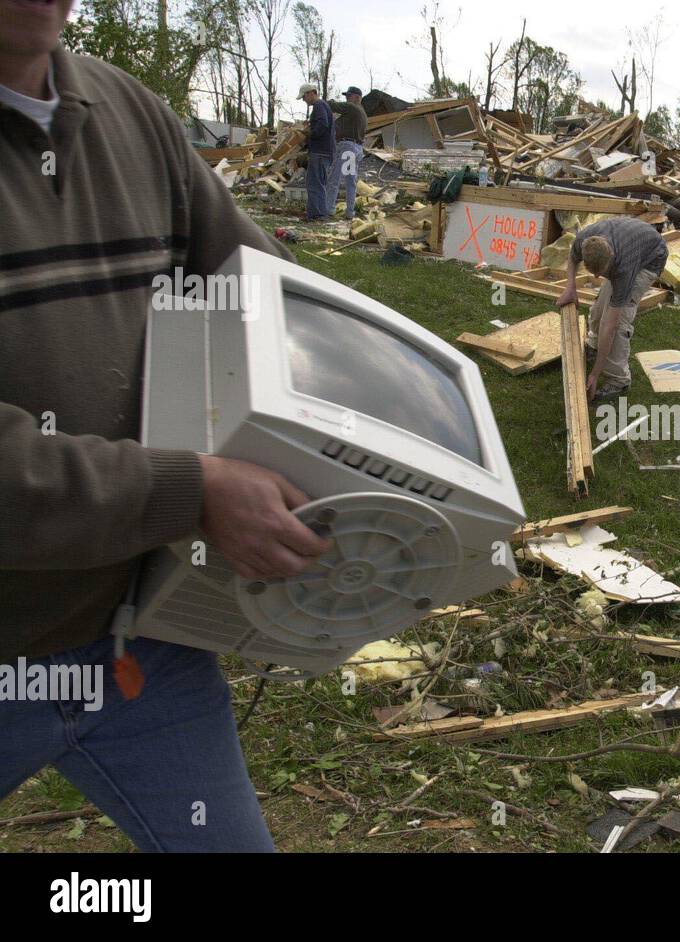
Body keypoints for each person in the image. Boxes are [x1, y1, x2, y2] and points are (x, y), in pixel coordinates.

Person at [1, 2, 331, 851]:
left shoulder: (128, 112)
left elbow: (259, 283)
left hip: (139, 642)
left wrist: (376, 395)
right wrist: (192, 492)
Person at [556, 217, 667, 402]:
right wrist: (570, 289)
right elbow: (572, 258)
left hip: (650, 260)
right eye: (594, 273)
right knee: (600, 309)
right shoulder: (584, 240)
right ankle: (594, 346)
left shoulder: (624, 267)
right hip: (632, 241)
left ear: (612, 259)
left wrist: (595, 374)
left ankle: (618, 379)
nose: (598, 276)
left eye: (602, 273)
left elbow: (610, 325)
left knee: (620, 319)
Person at [326, 85, 367, 220]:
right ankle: (350, 212)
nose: (347, 99)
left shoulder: (352, 107)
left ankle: (329, 209)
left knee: (334, 178)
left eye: (349, 96)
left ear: (356, 97)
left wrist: (327, 101)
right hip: (356, 148)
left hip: (347, 147)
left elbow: (332, 105)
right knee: (350, 181)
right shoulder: (362, 113)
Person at [300, 83, 335, 221]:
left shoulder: (319, 105)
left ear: (310, 93)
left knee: (315, 183)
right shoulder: (323, 106)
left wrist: (308, 133)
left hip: (320, 152)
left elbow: (322, 125)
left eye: (304, 96)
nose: (304, 100)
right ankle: (316, 213)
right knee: (317, 183)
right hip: (324, 151)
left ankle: (317, 215)